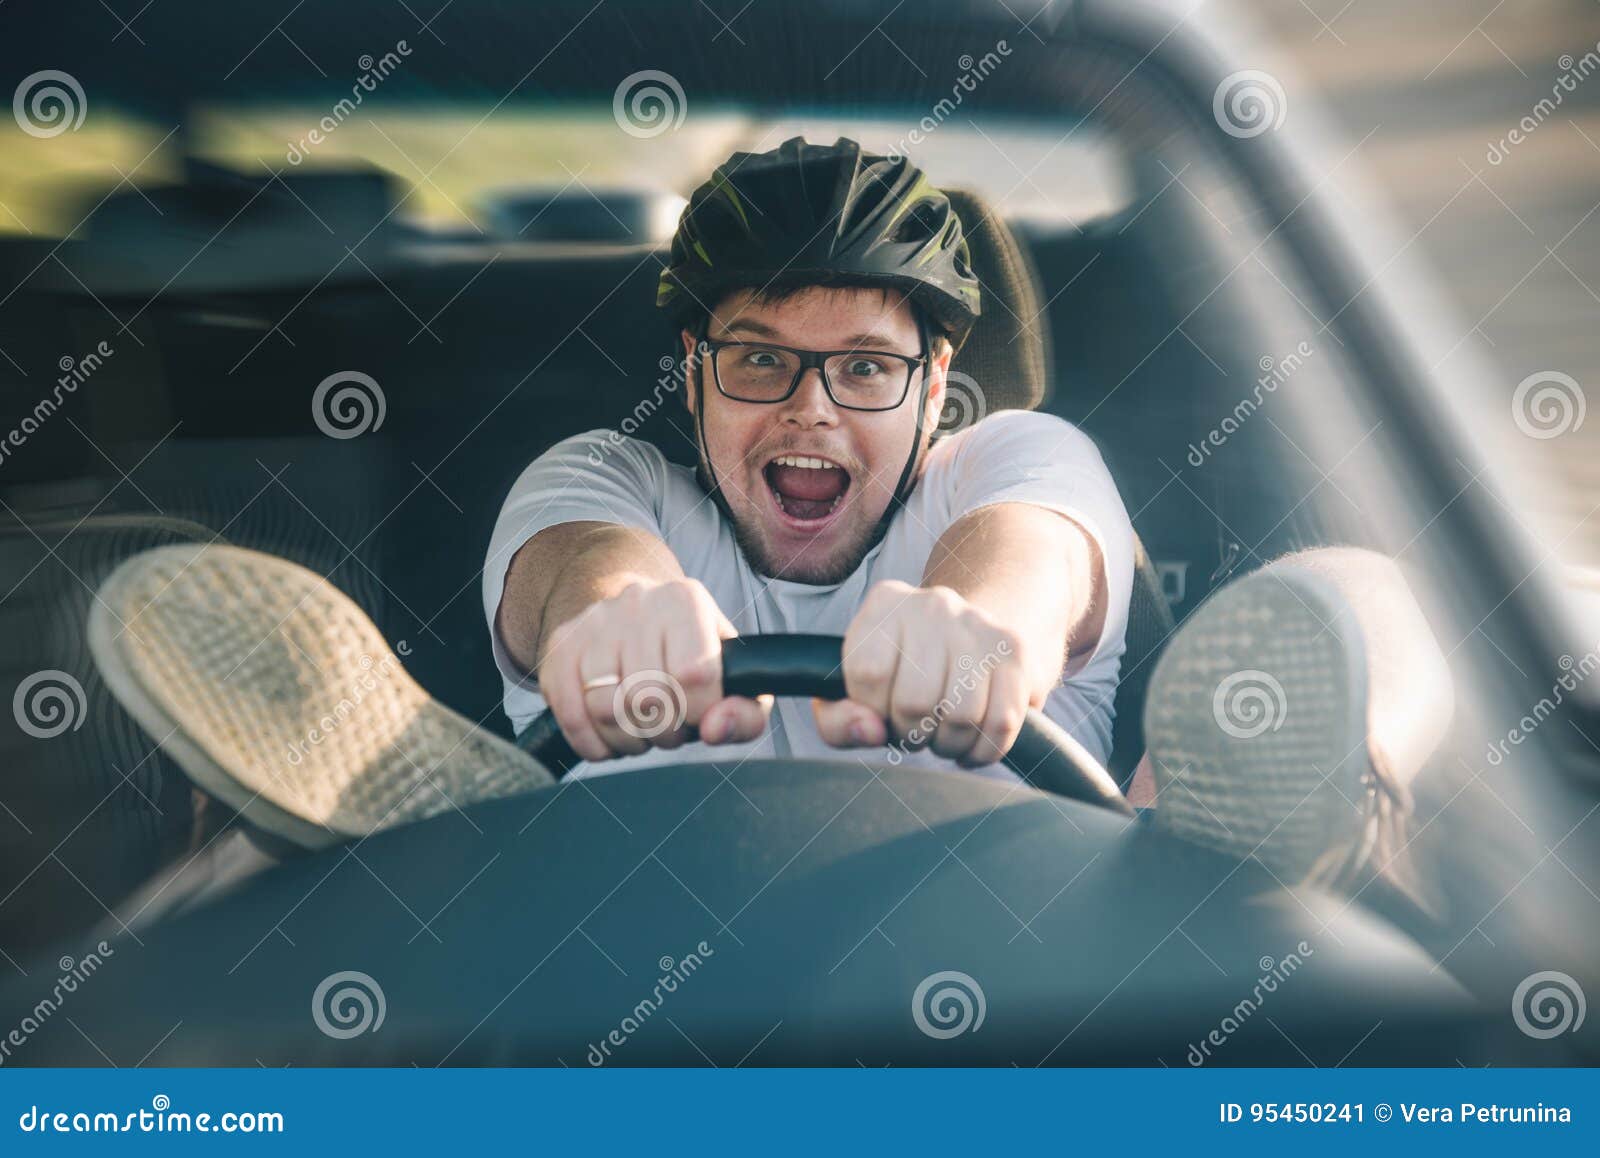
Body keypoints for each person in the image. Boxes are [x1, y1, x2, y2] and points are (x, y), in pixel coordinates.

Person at [484, 136, 1134, 781]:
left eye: (865, 367)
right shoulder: (602, 478)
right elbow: (582, 562)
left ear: (934, 388)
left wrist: (986, 628)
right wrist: (613, 613)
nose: (812, 409)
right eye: (761, 359)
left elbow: (1036, 557)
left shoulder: (1018, 458)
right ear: (693, 369)